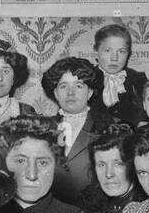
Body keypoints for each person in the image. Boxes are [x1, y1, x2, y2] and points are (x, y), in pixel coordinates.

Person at [41, 56, 107, 204]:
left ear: (90, 92)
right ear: (56, 93)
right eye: (63, 86)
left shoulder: (106, 129)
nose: (70, 93)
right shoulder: (43, 130)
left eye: (78, 86)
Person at [92, 22, 148, 127]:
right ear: (96, 51)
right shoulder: (86, 80)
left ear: (128, 54)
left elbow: (148, 113)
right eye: (108, 50)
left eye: (121, 52)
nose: (114, 58)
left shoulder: (137, 79)